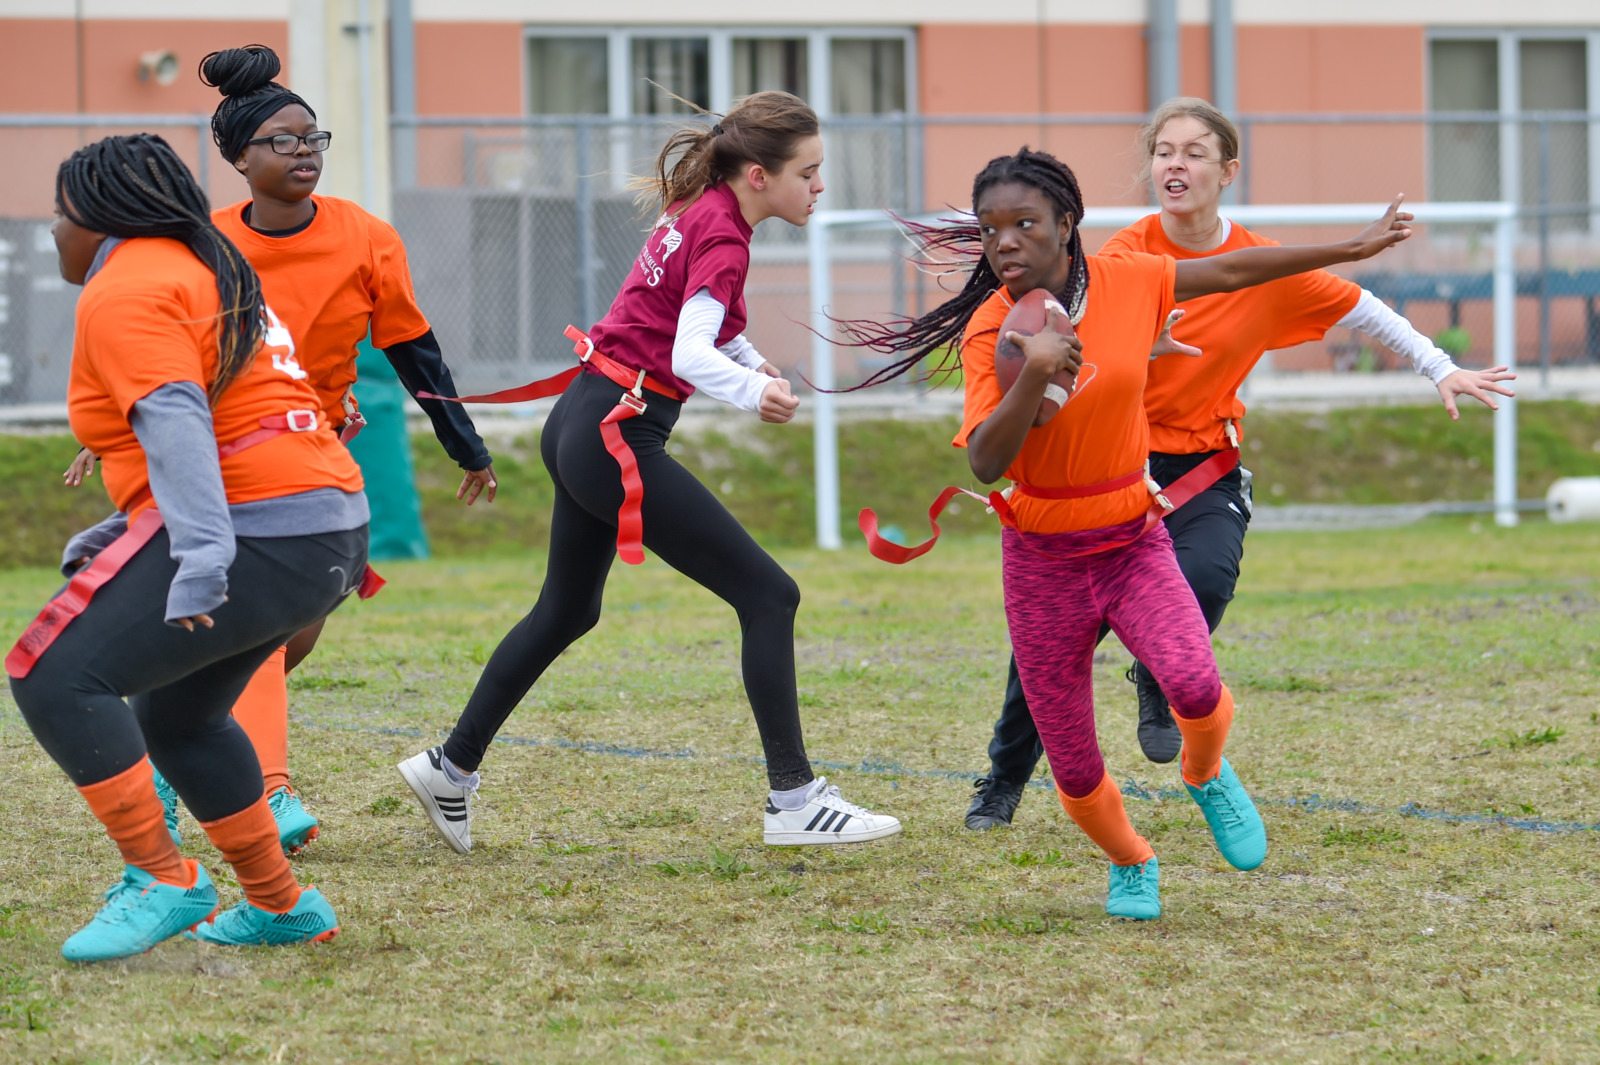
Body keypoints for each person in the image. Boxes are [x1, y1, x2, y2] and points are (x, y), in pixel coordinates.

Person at [837, 146, 1411, 917]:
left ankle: (1206, 775)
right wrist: (1034, 367)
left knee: (1195, 685)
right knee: (1073, 768)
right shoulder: (990, 329)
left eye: (1024, 223)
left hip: (1131, 539)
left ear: (1067, 224)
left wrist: (1352, 247)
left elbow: (1240, 272)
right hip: (1041, 560)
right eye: (989, 228)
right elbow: (985, 461)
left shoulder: (1130, 278)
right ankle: (1132, 859)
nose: (1004, 242)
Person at [962, 99, 1517, 831]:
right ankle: (1004, 778)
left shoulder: (1241, 262)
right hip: (1108, 460)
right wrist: (1120, 348)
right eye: (1164, 150)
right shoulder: (1119, 262)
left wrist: (1438, 363)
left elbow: (1335, 300)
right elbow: (1050, 364)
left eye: (1193, 152)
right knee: (1047, 653)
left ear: (1227, 170)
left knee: (1208, 579)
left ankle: (1161, 683)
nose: (1175, 164)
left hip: (1195, 463)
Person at [397, 91, 901, 853]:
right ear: (760, 175)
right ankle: (794, 797)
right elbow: (686, 349)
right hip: (615, 432)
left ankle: (450, 765)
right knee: (771, 594)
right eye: (811, 171)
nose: (821, 185)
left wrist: (745, 355)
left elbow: (674, 314)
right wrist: (752, 390)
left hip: (580, 416)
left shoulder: (702, 206)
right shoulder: (725, 235)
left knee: (567, 610)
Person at [62, 44, 500, 856]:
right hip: (223, 448)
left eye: (313, 138)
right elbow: (149, 345)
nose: (304, 151)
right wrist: (106, 435)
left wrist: (465, 444)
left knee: (290, 633)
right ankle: (268, 790)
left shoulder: (366, 238)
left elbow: (414, 349)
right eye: (282, 140)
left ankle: (178, 743)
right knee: (252, 624)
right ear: (237, 158)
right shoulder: (204, 243)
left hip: (316, 451)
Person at [8, 134, 367, 959]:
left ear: (99, 220)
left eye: (59, 215)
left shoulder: (127, 288)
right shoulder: (204, 266)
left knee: (51, 674)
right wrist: (123, 533)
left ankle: (161, 877)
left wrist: (202, 561)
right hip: (325, 522)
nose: (52, 232)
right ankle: (281, 905)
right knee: (181, 717)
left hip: (257, 531)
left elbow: (177, 421)